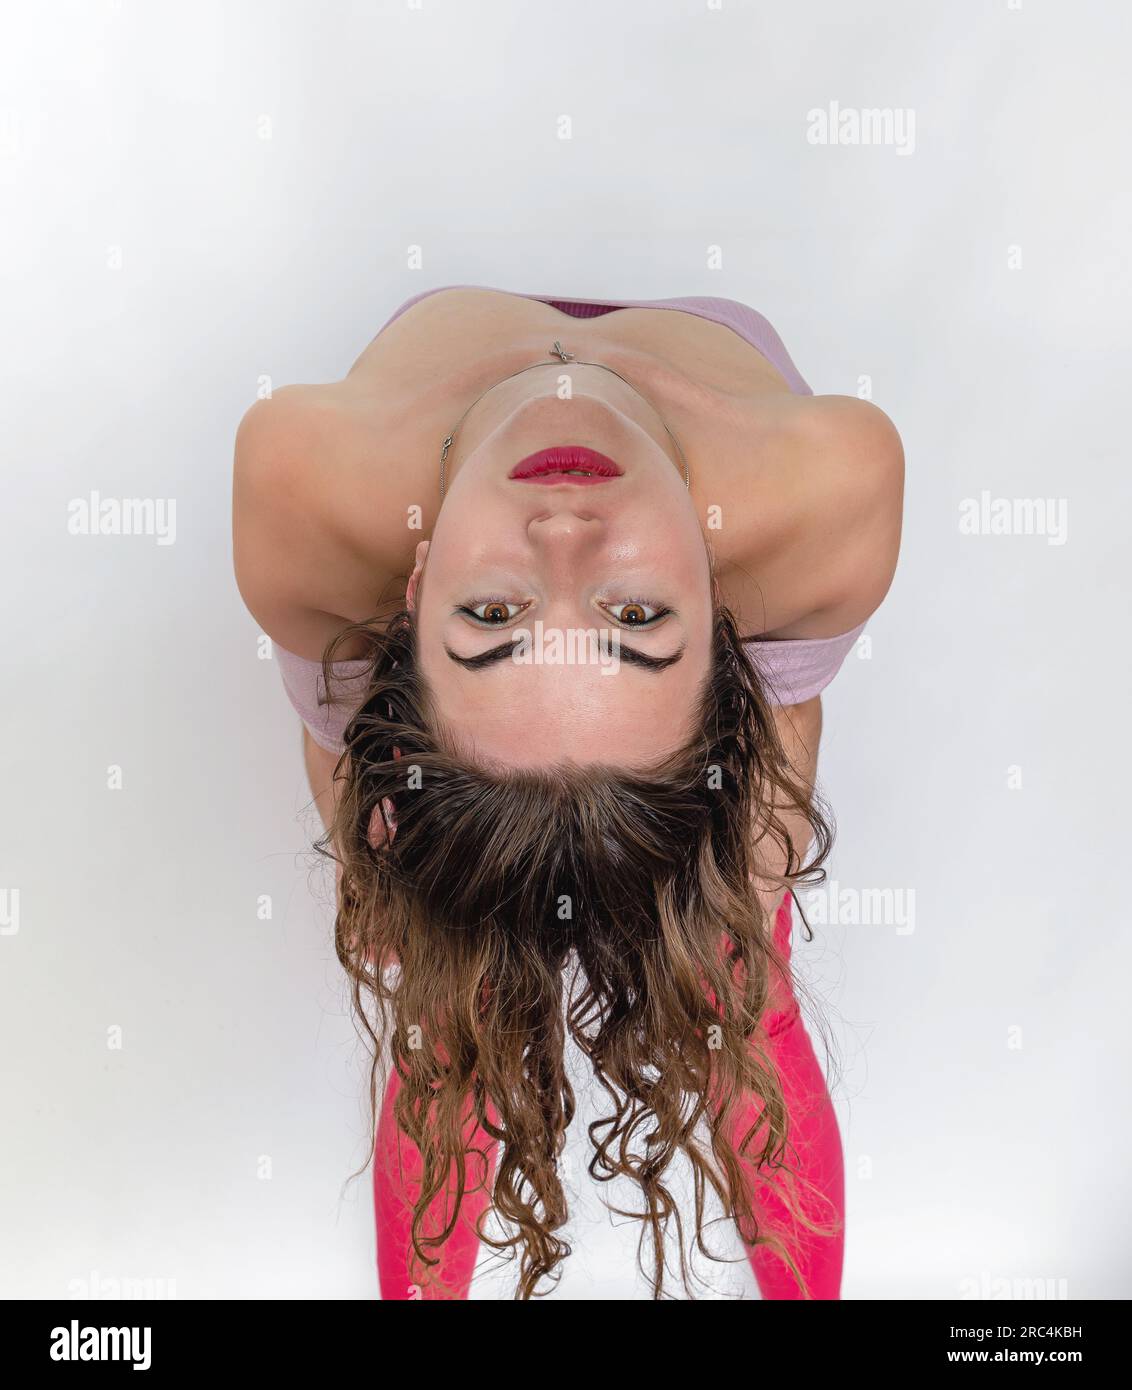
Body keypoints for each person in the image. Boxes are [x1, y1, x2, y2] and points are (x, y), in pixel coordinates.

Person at [232, 284, 904, 1298]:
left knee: (736, 967)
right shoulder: (823, 480)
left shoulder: (311, 477)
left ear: (413, 599)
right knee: (439, 976)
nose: (561, 534)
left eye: (491, 612)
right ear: (717, 603)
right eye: (635, 615)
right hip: (724, 451)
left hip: (440, 448)